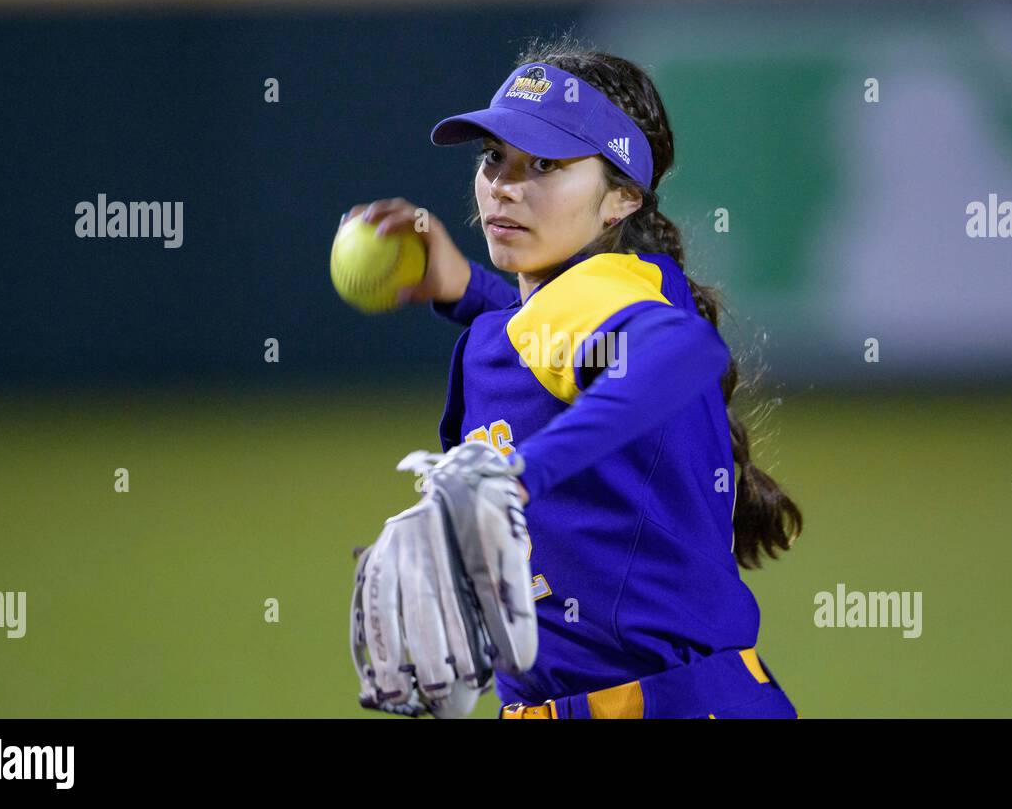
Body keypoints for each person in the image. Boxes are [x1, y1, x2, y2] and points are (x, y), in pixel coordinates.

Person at [343, 36, 804, 719]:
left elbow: (677, 353)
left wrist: (518, 473)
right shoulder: (613, 291)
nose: (504, 183)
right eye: (493, 157)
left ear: (620, 197)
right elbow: (550, 339)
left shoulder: (603, 302)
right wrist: (465, 285)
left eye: (546, 164)